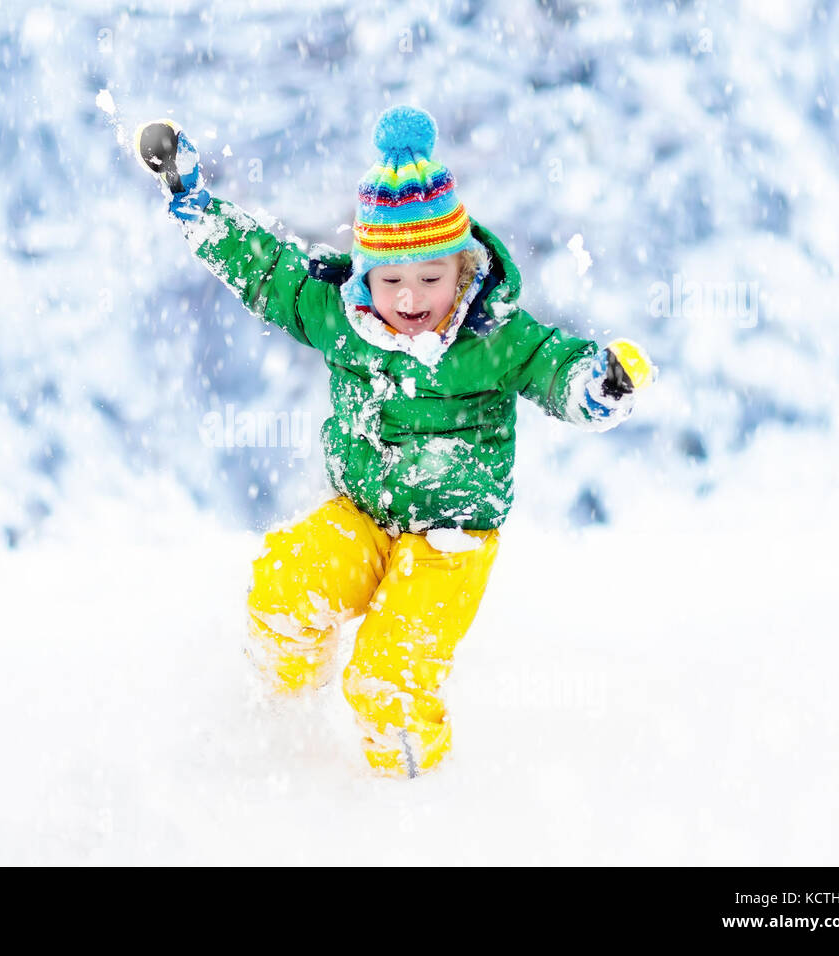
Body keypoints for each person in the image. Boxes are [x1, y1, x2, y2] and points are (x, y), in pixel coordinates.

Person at [135, 105, 656, 779]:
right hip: (363, 515)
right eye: (392, 281)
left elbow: (556, 366)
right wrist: (195, 204)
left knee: (390, 676)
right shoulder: (339, 312)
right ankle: (279, 730)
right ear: (364, 274)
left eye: (431, 279)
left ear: (463, 269)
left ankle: (413, 798)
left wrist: (598, 383)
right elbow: (265, 270)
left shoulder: (494, 334)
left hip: (452, 541)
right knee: (284, 587)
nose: (410, 299)